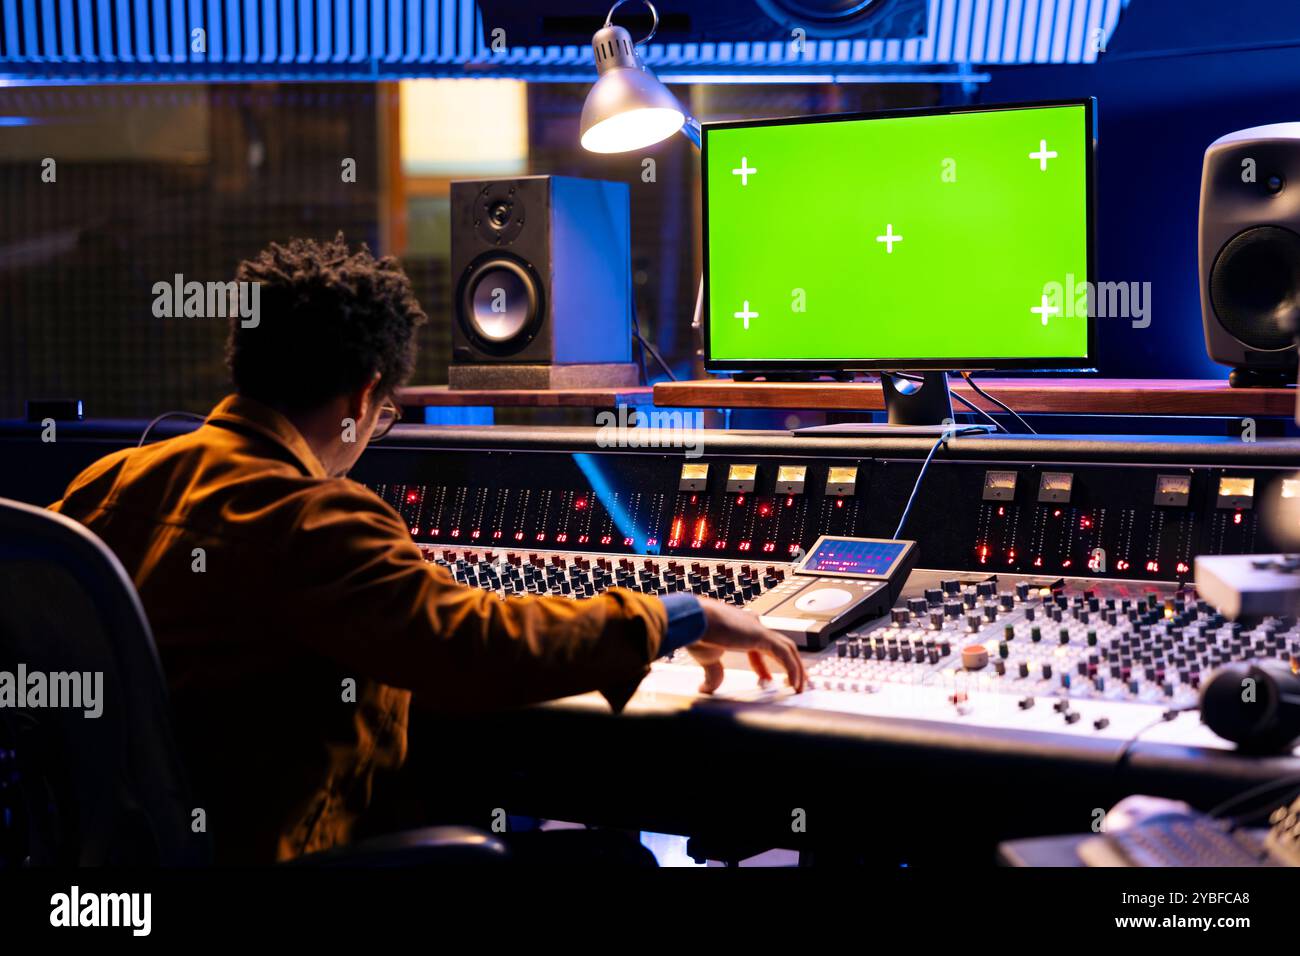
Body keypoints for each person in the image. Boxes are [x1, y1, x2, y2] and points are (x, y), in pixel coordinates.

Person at [50, 234, 805, 864]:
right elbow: (480, 644)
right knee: (613, 862)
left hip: (123, 876)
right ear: (360, 398)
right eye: (380, 419)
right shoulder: (314, 519)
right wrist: (682, 614)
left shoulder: (103, 487)